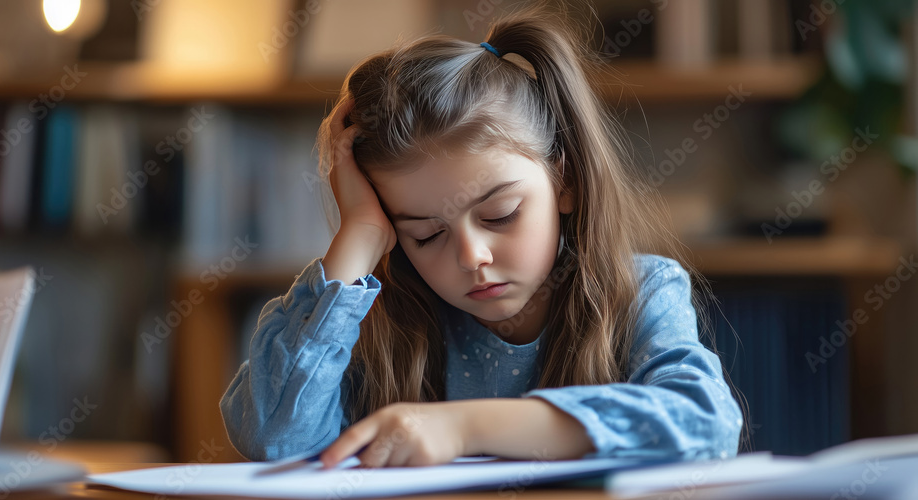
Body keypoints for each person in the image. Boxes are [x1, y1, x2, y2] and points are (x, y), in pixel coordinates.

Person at [219, 2, 746, 469]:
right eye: (425, 235)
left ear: (564, 180)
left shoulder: (640, 292)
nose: (473, 256)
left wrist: (462, 428)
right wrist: (357, 236)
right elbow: (273, 439)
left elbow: (706, 421)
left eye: (500, 214)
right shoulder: (381, 318)